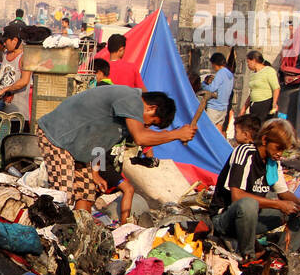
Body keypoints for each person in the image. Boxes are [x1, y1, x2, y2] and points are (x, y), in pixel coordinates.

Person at [36, 87, 196, 212]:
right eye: (152, 122)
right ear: (150, 108)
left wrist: (95, 172)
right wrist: (176, 134)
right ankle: (51, 235)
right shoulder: (132, 100)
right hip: (58, 136)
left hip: (76, 147)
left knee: (87, 192)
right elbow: (141, 137)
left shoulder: (125, 118)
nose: (147, 126)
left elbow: (100, 141)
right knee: (63, 194)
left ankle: (77, 233)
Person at [211, 117, 300, 257]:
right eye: (278, 148)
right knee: (248, 204)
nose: (280, 154)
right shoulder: (245, 152)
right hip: (226, 219)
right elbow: (237, 197)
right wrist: (278, 205)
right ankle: (249, 255)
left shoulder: (273, 162)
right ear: (265, 140)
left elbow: (283, 193)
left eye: (283, 150)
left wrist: (299, 205)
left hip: (253, 219)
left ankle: (284, 255)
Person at [0, 31, 32, 119]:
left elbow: (24, 81)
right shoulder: (5, 54)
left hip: (17, 110)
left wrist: (5, 90)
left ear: (15, 41)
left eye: (6, 41)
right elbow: (1, 72)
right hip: (1, 106)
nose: (4, 44)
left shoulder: (25, 57)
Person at [241, 50, 280, 121]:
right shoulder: (253, 74)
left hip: (265, 104)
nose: (248, 64)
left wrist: (274, 103)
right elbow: (252, 93)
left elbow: (276, 88)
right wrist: (244, 108)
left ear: (254, 60)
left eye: (248, 62)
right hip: (254, 105)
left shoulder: (269, 71)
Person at [203, 52, 235, 128]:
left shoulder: (221, 73)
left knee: (209, 130)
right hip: (224, 107)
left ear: (215, 63)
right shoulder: (230, 74)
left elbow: (211, 89)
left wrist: (203, 84)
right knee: (218, 130)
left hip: (215, 107)